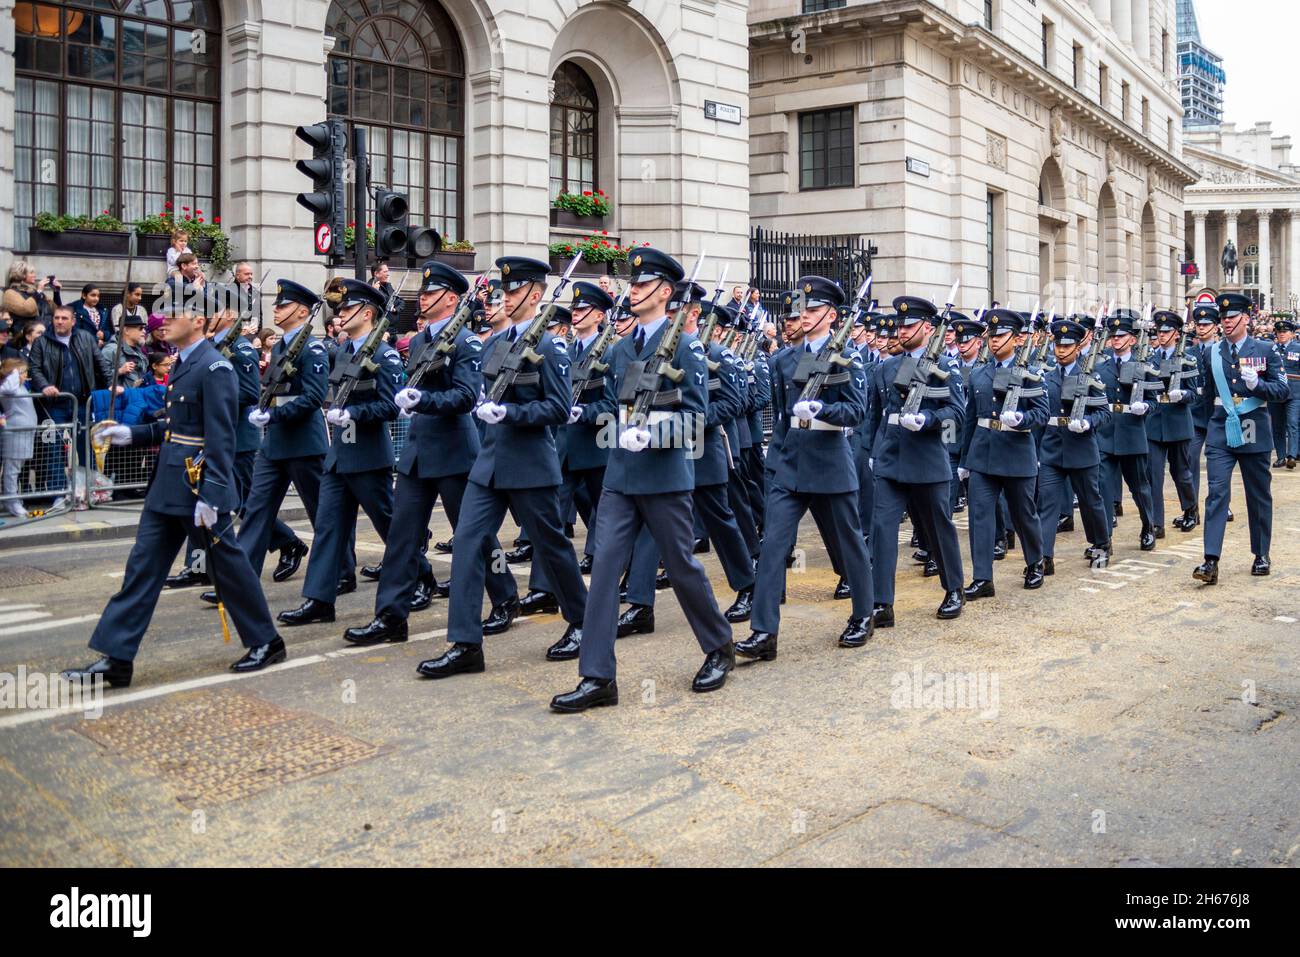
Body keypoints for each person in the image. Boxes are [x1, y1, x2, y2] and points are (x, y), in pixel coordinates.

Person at [60, 300, 287, 690]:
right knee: (142, 569)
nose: (163, 322)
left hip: (198, 486)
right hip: (167, 484)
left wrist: (212, 496)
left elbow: (220, 436)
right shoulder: (183, 362)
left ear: (198, 321)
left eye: (174, 315)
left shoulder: (215, 367)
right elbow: (175, 425)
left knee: (229, 568)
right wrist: (132, 434)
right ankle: (117, 658)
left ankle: (267, 640)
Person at [551, 248, 734, 712]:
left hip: (665, 477)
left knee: (682, 567)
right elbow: (612, 406)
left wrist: (651, 433)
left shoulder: (687, 348)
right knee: (606, 572)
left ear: (665, 292)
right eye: (631, 285)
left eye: (641, 285)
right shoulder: (619, 349)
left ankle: (718, 646)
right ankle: (597, 677)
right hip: (620, 477)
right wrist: (619, 432)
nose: (631, 291)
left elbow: (697, 418)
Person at [414, 256, 587, 678]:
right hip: (488, 465)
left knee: (553, 548)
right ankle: (465, 644)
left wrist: (509, 413)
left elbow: (559, 408)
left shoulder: (549, 346)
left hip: (530, 466)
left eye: (513, 291)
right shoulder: (492, 344)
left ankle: (583, 622)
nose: (505, 298)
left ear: (536, 294)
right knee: (468, 545)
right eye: (504, 291)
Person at [346, 262, 517, 645]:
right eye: (422, 293)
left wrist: (422, 399)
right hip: (418, 452)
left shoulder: (467, 342)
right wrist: (410, 401)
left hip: (455, 451)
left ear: (451, 299)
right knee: (402, 538)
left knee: (476, 537)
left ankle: (505, 596)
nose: (421, 298)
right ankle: (391, 616)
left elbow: (467, 397)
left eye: (430, 293)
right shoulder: (421, 341)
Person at [737, 275, 874, 664]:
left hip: (830, 461)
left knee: (848, 543)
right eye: (803, 309)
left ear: (831, 315)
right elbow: (781, 416)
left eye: (813, 310)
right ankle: (764, 631)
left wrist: (822, 410)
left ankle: (864, 614)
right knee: (773, 547)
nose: (805, 315)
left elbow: (857, 410)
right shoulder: (783, 359)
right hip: (790, 464)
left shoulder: (846, 355)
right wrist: (774, 458)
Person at [616, 287, 756, 640]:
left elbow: (735, 403)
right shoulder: (653, 351)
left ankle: (748, 587)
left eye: (679, 309)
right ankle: (639, 604)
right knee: (650, 529)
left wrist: (693, 419)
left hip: (701, 450)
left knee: (719, 520)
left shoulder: (714, 354)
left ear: (693, 314)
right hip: (661, 453)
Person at [279, 280, 403, 626]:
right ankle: (319, 599)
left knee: (390, 527)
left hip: (368, 456)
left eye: (347, 309)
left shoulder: (384, 354)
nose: (340, 314)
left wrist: (354, 413)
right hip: (339, 456)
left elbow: (391, 406)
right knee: (328, 528)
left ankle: (419, 576)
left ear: (367, 314)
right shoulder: (344, 351)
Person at [864, 295, 967, 625]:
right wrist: (871, 451)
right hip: (891, 457)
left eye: (909, 326)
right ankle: (882, 602)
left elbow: (956, 411)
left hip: (926, 457)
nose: (902, 331)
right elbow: (874, 414)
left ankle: (953, 589)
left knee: (938, 527)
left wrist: (927, 419)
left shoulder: (944, 367)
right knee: (882, 529)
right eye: (900, 326)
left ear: (926, 327)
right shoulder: (887, 367)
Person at [218, 281, 327, 586]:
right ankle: (240, 581)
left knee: (322, 514)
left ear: (302, 311)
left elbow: (313, 397)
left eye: (283, 306)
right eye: (277, 305)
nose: (276, 310)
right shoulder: (280, 346)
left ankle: (341, 570)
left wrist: (272, 414)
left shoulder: (312, 346)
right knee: (255, 511)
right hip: (276, 443)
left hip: (304, 442)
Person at [1194, 294, 1290, 584]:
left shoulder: (1265, 349)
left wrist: (1257, 385)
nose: (1225, 322)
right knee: (1217, 493)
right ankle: (1210, 560)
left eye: (1231, 317)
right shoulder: (1211, 352)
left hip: (1254, 427)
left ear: (1246, 319)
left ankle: (1261, 554)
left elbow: (1282, 391)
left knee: (1258, 494)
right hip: (1222, 427)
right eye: (1222, 318)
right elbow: (1207, 394)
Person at [958, 308, 1050, 598]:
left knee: (1023, 515)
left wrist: (1022, 420)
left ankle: (1035, 562)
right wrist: (964, 461)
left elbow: (1042, 413)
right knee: (980, 516)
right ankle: (983, 577)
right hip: (983, 454)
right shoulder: (979, 374)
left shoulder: (1031, 374)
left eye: (1001, 336)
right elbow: (971, 420)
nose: (995, 341)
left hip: (1016, 452)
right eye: (992, 336)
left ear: (1016, 338)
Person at [1035, 316, 1113, 573]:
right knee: (1048, 503)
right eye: (1058, 345)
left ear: (1078, 347)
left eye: (1067, 346)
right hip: (1052, 448)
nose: (1060, 350)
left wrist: (1088, 422)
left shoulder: (1091, 375)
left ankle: (1101, 543)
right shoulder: (1046, 376)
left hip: (1081, 448)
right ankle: (1044, 556)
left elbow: (1104, 412)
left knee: (1091, 500)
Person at [26, 304, 113, 504]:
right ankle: (59, 494)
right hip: (53, 405)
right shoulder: (42, 342)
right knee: (53, 449)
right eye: (57, 318)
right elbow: (35, 368)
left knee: (86, 449)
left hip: (82, 403)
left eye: (64, 318)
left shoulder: (85, 338)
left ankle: (89, 491)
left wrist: (110, 385)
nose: (59, 321)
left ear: (73, 321)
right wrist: (44, 385)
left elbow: (100, 363)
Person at [1096, 310, 1158, 551]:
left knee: (1139, 487)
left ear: (1133, 339)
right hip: (1106, 432)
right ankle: (1104, 538)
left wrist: (1145, 407)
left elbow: (1153, 400)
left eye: (1122, 336)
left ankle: (1148, 526)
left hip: (1132, 432)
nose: (1116, 340)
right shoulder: (1101, 368)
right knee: (1102, 487)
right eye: (1114, 336)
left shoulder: (1143, 367)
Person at [1144, 310, 1198, 537]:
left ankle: (1190, 509)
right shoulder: (1149, 359)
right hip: (1155, 422)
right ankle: (1156, 523)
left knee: (1182, 473)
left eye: (1167, 331)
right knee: (1153, 475)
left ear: (1177, 333)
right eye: (1159, 331)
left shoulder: (1187, 359)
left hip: (1177, 421)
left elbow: (1194, 393)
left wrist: (1182, 395)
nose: (1162, 335)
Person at [0, 357, 37, 517]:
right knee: (12, 469)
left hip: (25, 431)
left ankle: (12, 499)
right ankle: (12, 501)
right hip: (15, 431)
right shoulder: (8, 387)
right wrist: (14, 372)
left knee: (17, 468)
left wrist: (18, 374)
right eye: (22, 372)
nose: (25, 375)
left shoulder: (20, 387)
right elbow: (8, 387)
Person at [1269, 318, 1300, 468]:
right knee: (1277, 426)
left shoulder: (1298, 349)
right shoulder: (1271, 349)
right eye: (1279, 332)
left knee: (1292, 423)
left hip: (1294, 393)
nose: (1281, 334)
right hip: (1275, 392)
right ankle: (1281, 456)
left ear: (1292, 334)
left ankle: (1292, 455)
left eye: (1285, 331)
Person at [102, 312, 150, 388]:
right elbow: (100, 376)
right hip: (119, 398)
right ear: (127, 330)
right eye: (140, 328)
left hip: (136, 396)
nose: (144, 331)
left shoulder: (138, 350)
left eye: (144, 328)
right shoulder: (111, 349)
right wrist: (119, 371)